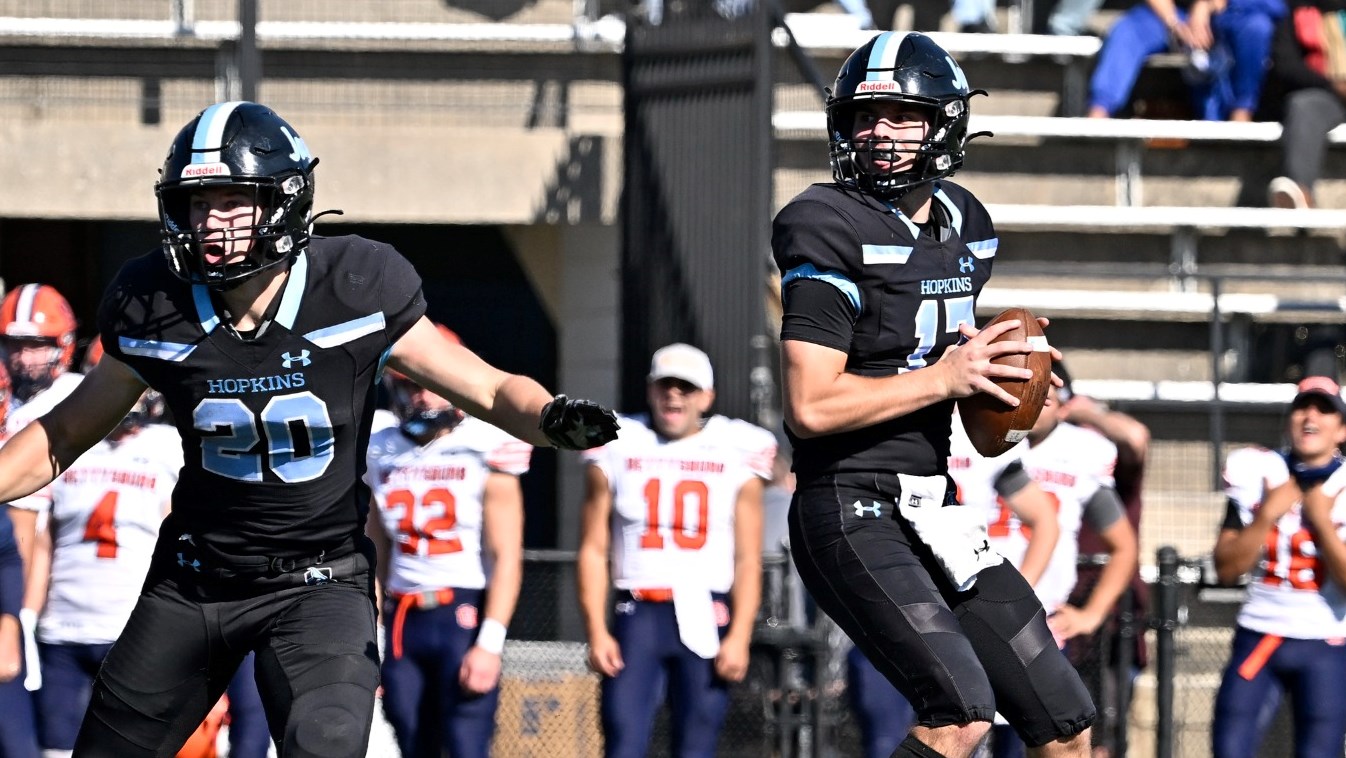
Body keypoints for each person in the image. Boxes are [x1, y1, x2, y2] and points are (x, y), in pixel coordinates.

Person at [0, 101, 620, 758]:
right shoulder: (151, 300)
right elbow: (64, 433)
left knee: (324, 743)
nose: (210, 221)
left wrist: (548, 417)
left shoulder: (355, 286)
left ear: (285, 200)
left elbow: (489, 388)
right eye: (198, 202)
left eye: (232, 201)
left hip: (318, 580)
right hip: (196, 579)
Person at [772, 30, 1096, 758]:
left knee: (1067, 726)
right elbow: (811, 405)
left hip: (931, 501)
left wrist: (1009, 388)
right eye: (865, 116)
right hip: (848, 501)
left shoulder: (967, 224)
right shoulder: (824, 223)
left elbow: (976, 421)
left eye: (901, 115)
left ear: (944, 125)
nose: (879, 132)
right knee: (958, 714)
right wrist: (947, 377)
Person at [577, 343, 775, 758]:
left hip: (706, 609)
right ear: (650, 389)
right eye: (665, 385)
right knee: (622, 740)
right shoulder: (617, 441)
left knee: (697, 744)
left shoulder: (737, 447)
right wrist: (596, 630)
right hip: (637, 611)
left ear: (707, 397)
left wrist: (740, 634)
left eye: (686, 387)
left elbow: (747, 557)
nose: (674, 395)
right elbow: (594, 549)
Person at [364, 329, 533, 758]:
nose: (423, 396)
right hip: (403, 619)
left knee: (465, 744)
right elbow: (376, 552)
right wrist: (374, 632)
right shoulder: (380, 447)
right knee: (409, 736)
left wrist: (490, 642)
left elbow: (506, 556)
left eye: (433, 384)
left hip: (461, 612)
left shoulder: (484, 445)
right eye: (412, 385)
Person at [26, 378, 178, 758]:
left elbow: (177, 538)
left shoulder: (168, 446)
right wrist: (29, 615)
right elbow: (44, 543)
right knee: (55, 749)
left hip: (131, 629)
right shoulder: (73, 446)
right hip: (62, 627)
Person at [1211, 375, 1346, 758]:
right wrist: (1267, 514)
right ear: (1289, 419)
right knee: (1229, 749)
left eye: (1324, 410)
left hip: (1326, 642)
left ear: (1342, 429)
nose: (1310, 417)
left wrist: (1321, 523)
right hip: (1260, 634)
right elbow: (1226, 570)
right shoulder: (1259, 472)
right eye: (1303, 407)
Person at [1053, 364, 1149, 758]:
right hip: (1043, 609)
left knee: (1096, 740)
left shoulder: (1097, 452)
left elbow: (1135, 437)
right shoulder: (1017, 452)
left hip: (1102, 623)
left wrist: (1082, 410)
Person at [1086, 0, 1285, 121]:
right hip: (1173, 13)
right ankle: (1099, 111)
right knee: (1126, 30)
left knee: (1256, 28)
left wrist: (1204, 6)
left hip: (1233, 10)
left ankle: (1241, 112)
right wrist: (1174, 23)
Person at [1265, 0, 1346, 208]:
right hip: (1325, 96)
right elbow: (1286, 64)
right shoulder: (1295, 10)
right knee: (1302, 105)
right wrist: (1333, 85)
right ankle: (1300, 193)